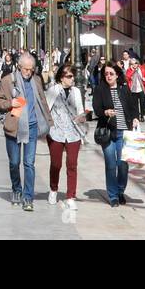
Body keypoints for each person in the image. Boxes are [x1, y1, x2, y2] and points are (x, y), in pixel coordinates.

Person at [0, 51, 52, 212]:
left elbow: (43, 102)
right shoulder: (8, 81)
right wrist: (10, 103)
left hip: (32, 126)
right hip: (14, 127)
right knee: (14, 162)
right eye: (26, 69)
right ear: (19, 67)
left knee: (29, 163)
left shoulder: (37, 80)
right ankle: (16, 189)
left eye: (31, 69)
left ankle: (28, 197)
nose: (28, 72)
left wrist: (49, 123)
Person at [94, 60, 144, 206]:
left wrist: (135, 118)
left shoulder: (124, 88)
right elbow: (96, 108)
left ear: (117, 75)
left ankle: (120, 190)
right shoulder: (100, 89)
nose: (108, 76)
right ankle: (113, 196)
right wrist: (105, 112)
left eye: (111, 74)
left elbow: (133, 106)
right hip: (108, 133)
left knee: (122, 164)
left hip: (124, 132)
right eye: (106, 74)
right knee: (110, 165)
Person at [45, 63, 86, 210]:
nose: (72, 79)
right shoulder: (53, 90)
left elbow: (80, 110)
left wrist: (82, 119)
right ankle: (53, 189)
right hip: (56, 132)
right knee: (56, 164)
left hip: (73, 133)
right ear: (61, 77)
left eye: (73, 76)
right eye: (69, 76)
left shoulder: (76, 91)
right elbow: (46, 110)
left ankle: (70, 196)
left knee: (72, 164)